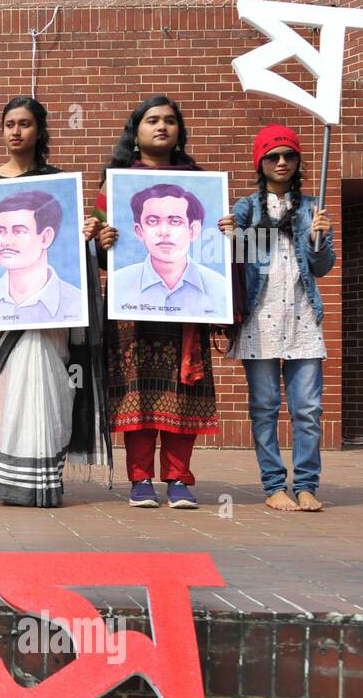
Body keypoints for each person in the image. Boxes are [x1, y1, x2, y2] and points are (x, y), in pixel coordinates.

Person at [0, 96, 110, 507]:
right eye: (9, 123)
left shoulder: (58, 184)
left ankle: (42, 480)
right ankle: (6, 480)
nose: (16, 131)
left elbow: (73, 253)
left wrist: (87, 236)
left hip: (52, 317)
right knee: (8, 391)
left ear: (39, 131)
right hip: (2, 313)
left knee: (47, 389)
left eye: (25, 124)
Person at [93, 95, 218, 509]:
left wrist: (227, 231)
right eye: (152, 120)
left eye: (169, 120)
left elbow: (215, 245)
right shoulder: (114, 184)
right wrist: (101, 242)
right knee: (139, 391)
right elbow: (96, 251)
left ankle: (180, 479)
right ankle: (141, 479)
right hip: (133, 311)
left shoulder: (199, 181)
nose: (161, 127)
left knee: (185, 388)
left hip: (188, 309)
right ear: (137, 131)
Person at [217, 124, 333, 512]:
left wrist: (319, 237)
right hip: (260, 319)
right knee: (264, 406)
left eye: (289, 155)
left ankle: (306, 485)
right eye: (273, 156)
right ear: (261, 163)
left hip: (302, 318)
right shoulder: (247, 208)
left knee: (308, 409)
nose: (282, 162)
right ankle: (273, 485)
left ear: (298, 161)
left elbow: (321, 267)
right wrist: (231, 235)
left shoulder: (311, 207)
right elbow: (237, 258)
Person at [110, 183, 228, 319]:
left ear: (193, 230)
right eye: (152, 221)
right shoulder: (117, 284)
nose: (164, 232)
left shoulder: (220, 288)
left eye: (175, 221)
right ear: (139, 231)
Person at [0, 188, 84, 324]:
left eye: (19, 231)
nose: (5, 241)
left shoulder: (77, 303)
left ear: (45, 238)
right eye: (0, 231)